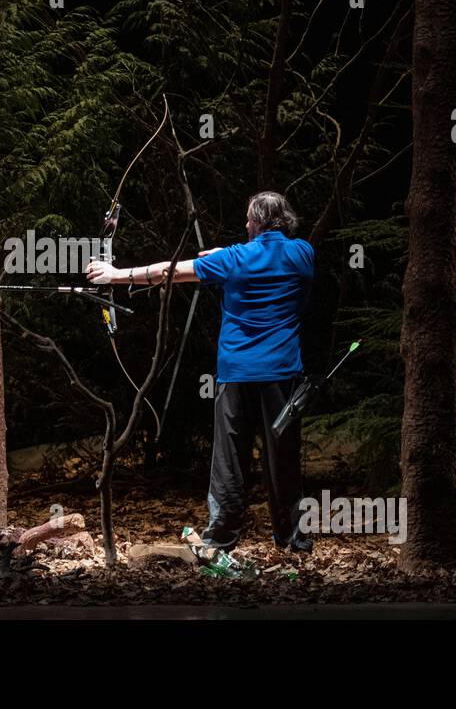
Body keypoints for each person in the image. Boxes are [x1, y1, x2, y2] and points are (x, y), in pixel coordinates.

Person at [86, 190, 315, 554]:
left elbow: (169, 271)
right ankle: (293, 542)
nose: (244, 224)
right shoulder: (303, 253)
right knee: (283, 460)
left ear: (257, 221)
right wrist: (224, 256)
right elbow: (266, 257)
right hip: (282, 376)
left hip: (237, 375)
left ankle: (221, 539)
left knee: (229, 463)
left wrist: (115, 276)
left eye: (248, 218)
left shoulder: (234, 259)